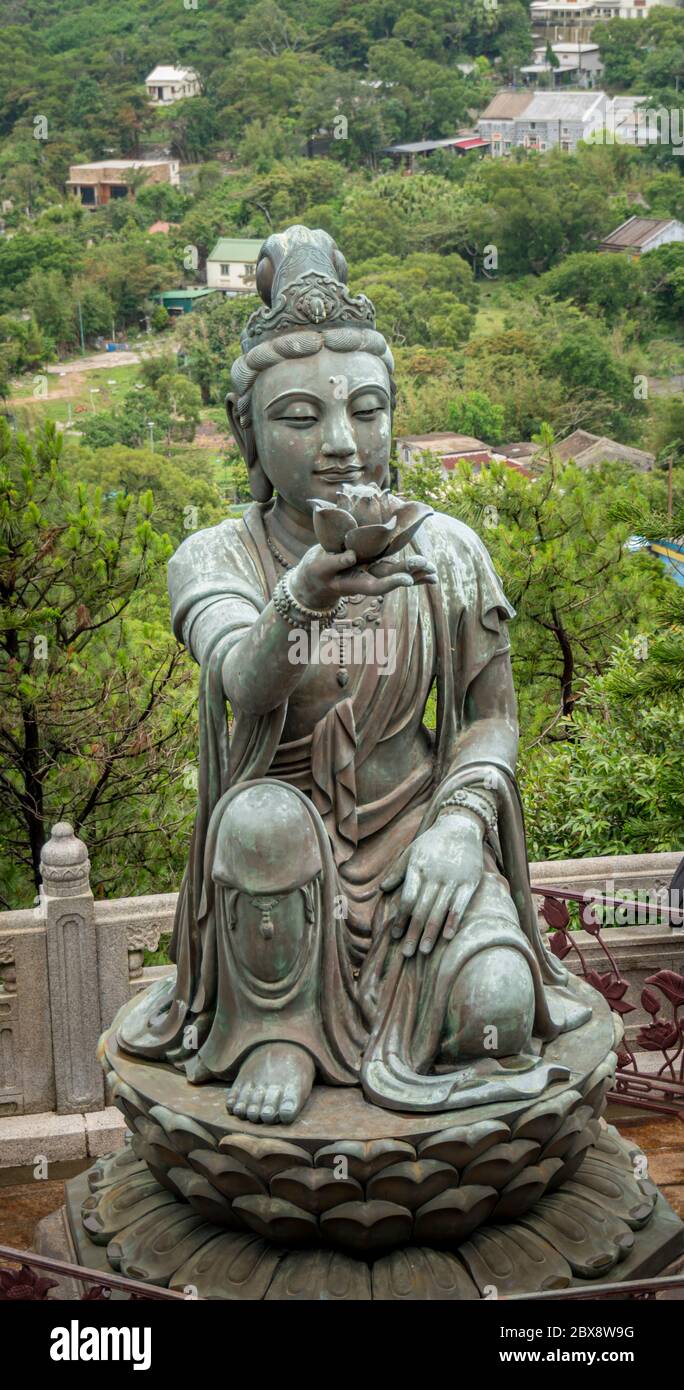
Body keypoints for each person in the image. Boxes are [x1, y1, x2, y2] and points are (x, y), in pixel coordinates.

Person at [119, 225, 590, 1122]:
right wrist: (302, 594)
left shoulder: (447, 549)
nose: (342, 442)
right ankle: (278, 1032)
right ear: (248, 433)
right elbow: (245, 682)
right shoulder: (218, 556)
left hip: (418, 836)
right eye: (300, 417)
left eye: (365, 410)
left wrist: (458, 826)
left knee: (494, 1009)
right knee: (258, 819)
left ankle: (439, 1009)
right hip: (281, 862)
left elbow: (491, 717)